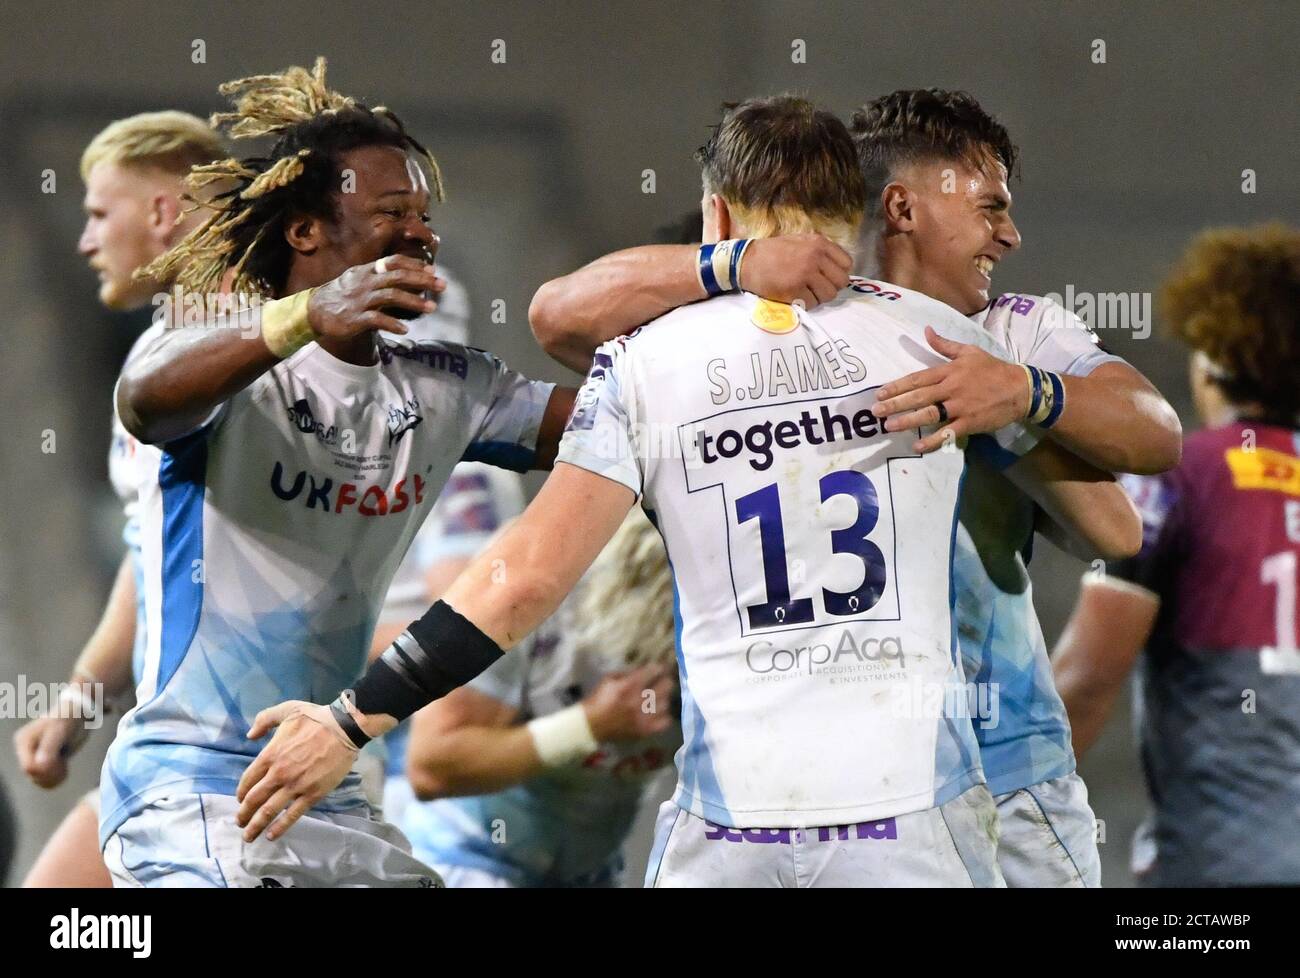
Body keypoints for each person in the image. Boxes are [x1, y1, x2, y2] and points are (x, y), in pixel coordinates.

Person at [237, 96, 1136, 887]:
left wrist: (350, 721)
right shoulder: (947, 342)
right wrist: (1032, 399)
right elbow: (1115, 526)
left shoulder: (646, 365)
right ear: (854, 213)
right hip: (910, 821)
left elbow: (524, 577)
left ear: (715, 211)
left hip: (733, 828)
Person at [530, 88, 1180, 885]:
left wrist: (1018, 397)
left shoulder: (1013, 334)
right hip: (790, 790)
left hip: (1000, 769)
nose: (1008, 235)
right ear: (903, 207)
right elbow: (559, 314)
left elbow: (1134, 483)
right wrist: (733, 264)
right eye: (989, 207)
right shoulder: (752, 320)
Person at [101, 58, 577, 888]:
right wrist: (308, 318)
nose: (422, 235)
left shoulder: (444, 386)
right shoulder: (223, 355)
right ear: (305, 232)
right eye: (394, 212)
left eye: (425, 218)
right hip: (197, 793)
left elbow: (616, 426)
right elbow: (145, 401)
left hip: (336, 789)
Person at [14, 110, 224, 887]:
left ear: (162, 214)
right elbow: (154, 553)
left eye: (99, 213)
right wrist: (76, 701)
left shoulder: (259, 353)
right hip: (164, 759)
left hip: (247, 769)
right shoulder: (152, 359)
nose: (86, 239)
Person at [1053, 223, 1300, 886]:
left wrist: (1004, 821)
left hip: (1218, 874)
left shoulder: (1179, 478)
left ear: (1214, 358)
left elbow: (1086, 678)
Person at [402, 508, 680, 886]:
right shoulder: (529, 572)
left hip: (592, 865)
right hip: (473, 854)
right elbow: (432, 765)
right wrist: (589, 724)